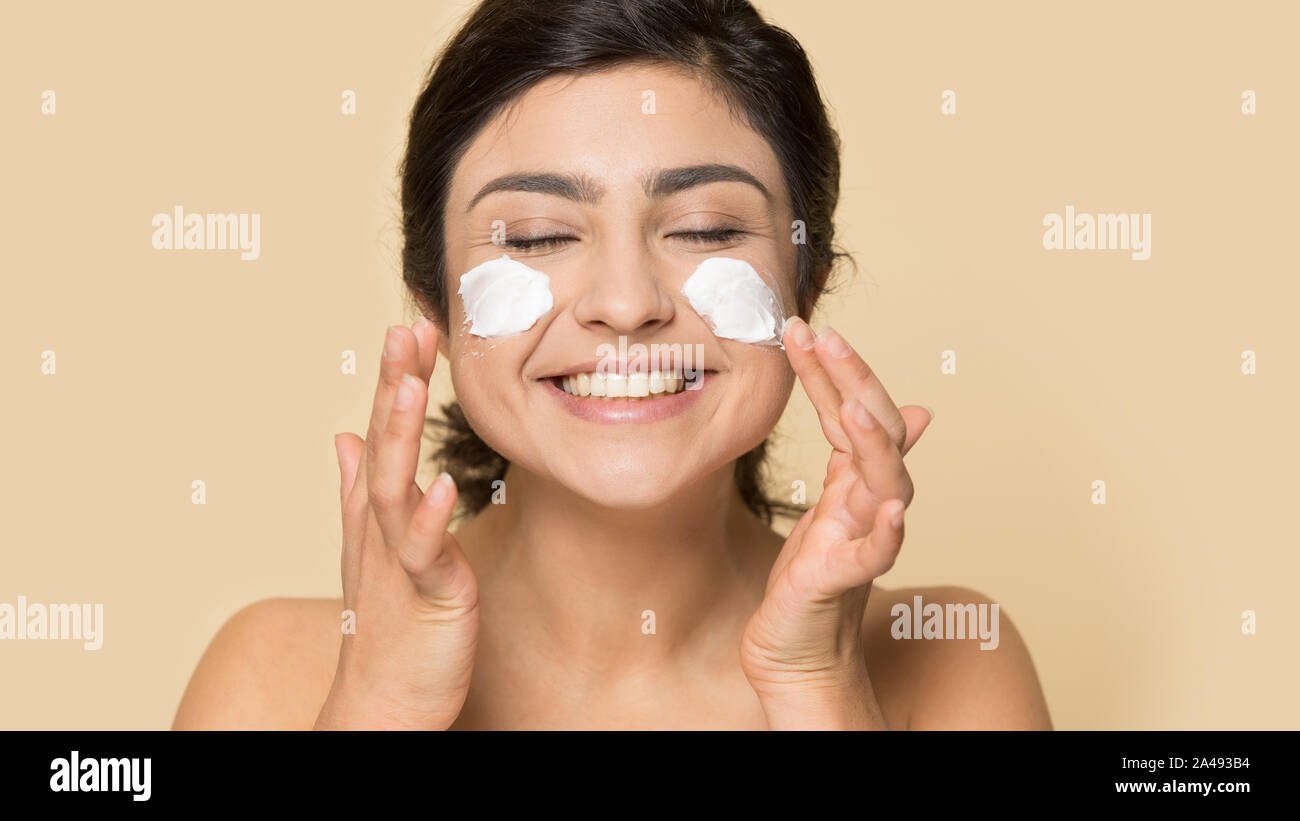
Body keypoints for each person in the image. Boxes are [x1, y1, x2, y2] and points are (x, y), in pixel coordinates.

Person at [174, 0, 1051, 730]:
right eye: (542, 236)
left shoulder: (950, 667)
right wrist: (381, 701)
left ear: (805, 280)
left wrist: (816, 682)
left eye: (706, 229)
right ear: (433, 298)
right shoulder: (271, 681)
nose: (627, 303)